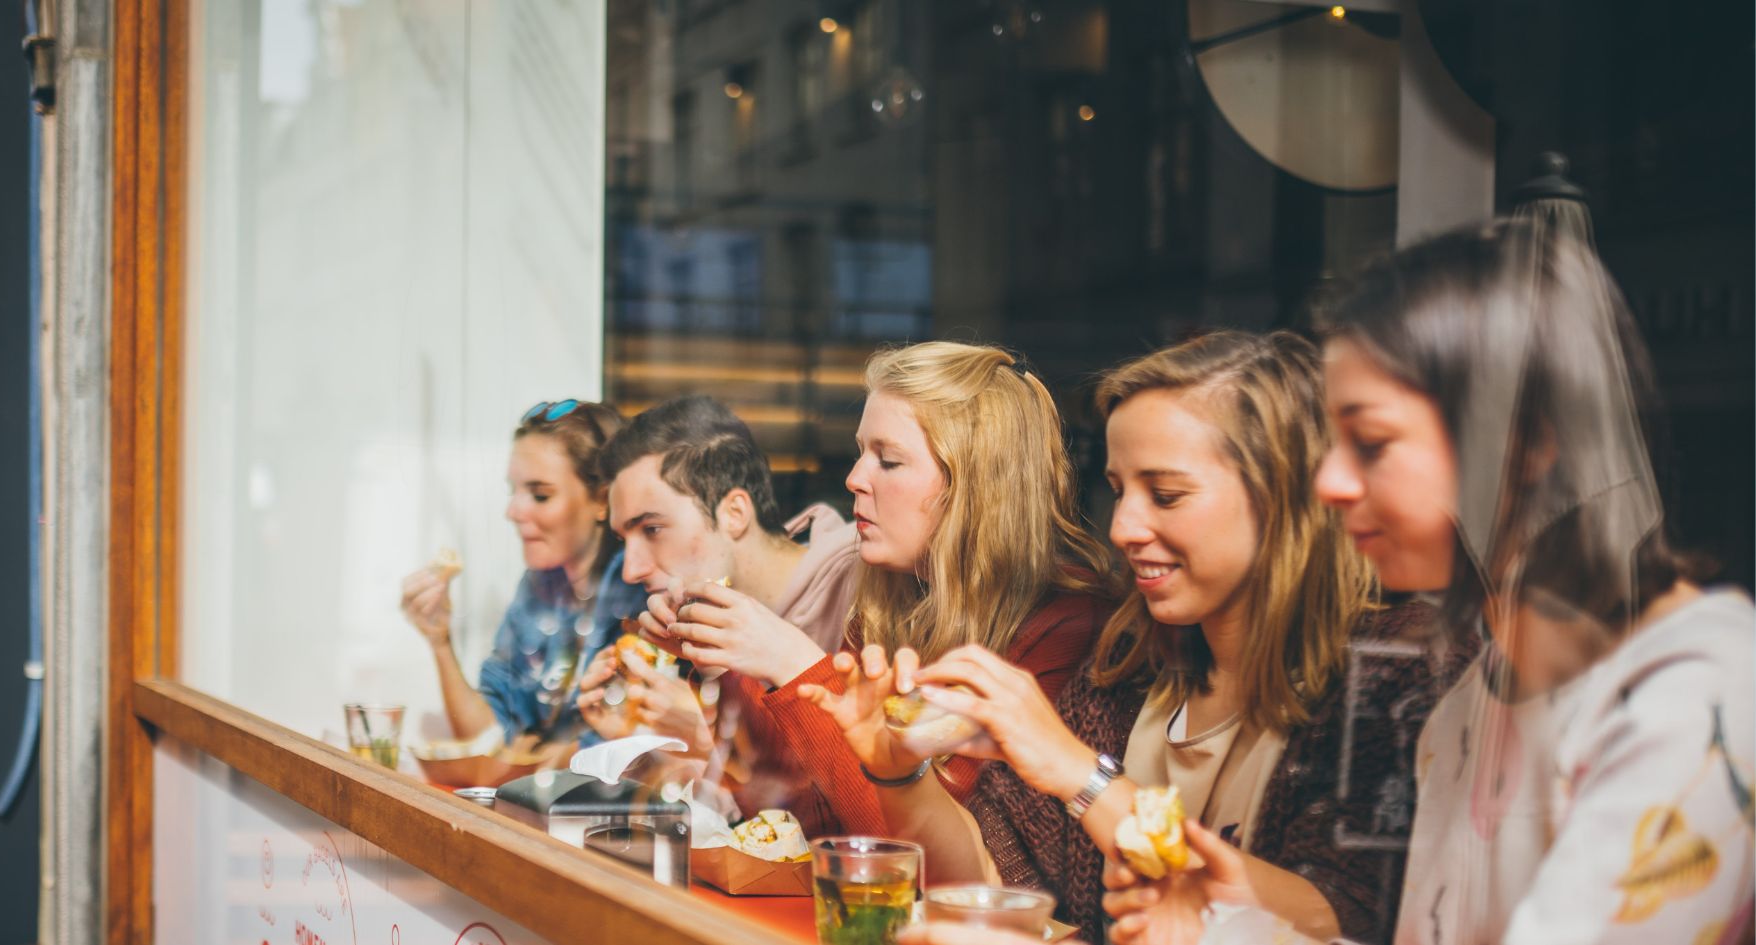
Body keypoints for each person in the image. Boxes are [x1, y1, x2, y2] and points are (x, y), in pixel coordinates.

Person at [1101, 222, 1753, 945]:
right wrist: (1223, 922)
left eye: (1372, 443)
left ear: (1526, 441)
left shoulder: (1695, 694)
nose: (1329, 481)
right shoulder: (1465, 712)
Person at [872, 331, 1463, 944]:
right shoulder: (1127, 669)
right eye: (1120, 490)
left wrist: (1082, 776)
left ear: (1286, 496)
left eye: (1167, 495)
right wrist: (897, 774)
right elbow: (1006, 882)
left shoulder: (1399, 671)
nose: (1124, 527)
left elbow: (1355, 916)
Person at [748, 342, 1118, 840]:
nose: (855, 478)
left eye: (889, 461)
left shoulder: (1071, 628)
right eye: (861, 453)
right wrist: (732, 683)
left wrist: (793, 665)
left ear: (975, 486)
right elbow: (815, 819)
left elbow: (918, 854)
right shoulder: (892, 603)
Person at [570, 394, 862, 826]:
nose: (630, 570)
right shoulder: (693, 628)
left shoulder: (860, 598)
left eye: (652, 528)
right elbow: (739, 824)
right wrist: (646, 742)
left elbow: (853, 820)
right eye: (623, 539)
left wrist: (704, 736)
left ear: (734, 513)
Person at [399, 399, 643, 747]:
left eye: (540, 495)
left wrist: (533, 749)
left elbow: (618, 756)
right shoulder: (540, 588)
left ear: (602, 500)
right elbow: (486, 736)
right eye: (513, 491)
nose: (513, 511)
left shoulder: (640, 593)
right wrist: (440, 640)